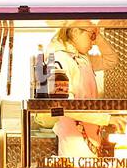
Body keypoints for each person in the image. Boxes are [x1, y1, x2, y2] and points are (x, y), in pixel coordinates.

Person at [46, 20, 119, 158]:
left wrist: (98, 37)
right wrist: (106, 119)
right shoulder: (60, 59)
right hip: (73, 142)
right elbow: (64, 105)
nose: (93, 41)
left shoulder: (83, 58)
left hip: (91, 136)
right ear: (75, 32)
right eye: (91, 35)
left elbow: (111, 60)